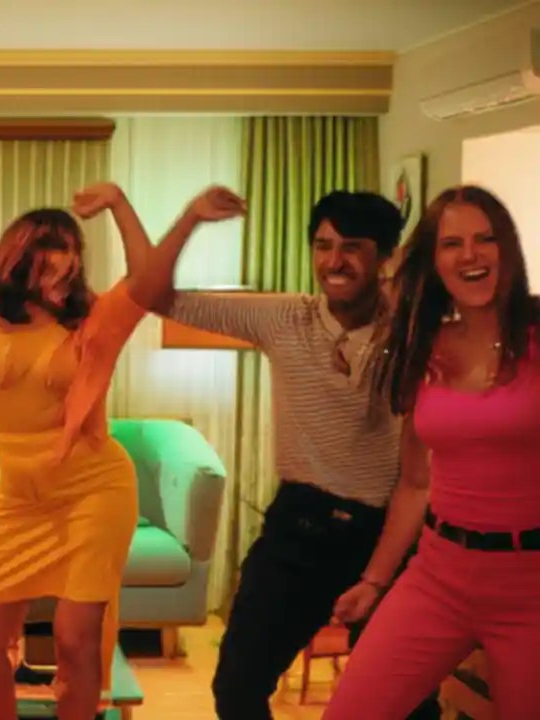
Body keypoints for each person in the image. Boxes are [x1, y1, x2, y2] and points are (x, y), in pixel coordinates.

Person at [0, 120, 245, 720]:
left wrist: (142, 209)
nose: (63, 273)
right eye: (47, 263)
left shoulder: (93, 323)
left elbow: (150, 282)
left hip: (91, 491)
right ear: (17, 263)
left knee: (78, 641)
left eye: (70, 262)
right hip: (18, 501)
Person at [155, 189, 441, 720]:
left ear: (384, 257)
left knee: (409, 702)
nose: (334, 261)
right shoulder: (283, 317)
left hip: (386, 532)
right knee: (236, 689)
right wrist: (191, 216)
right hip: (298, 527)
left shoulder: (411, 331)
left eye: (352, 247)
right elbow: (155, 295)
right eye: (322, 245)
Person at [324, 186, 540, 719]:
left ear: (507, 250)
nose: (471, 255)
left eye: (486, 239)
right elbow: (416, 482)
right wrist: (374, 581)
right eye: (452, 244)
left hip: (531, 589)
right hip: (439, 577)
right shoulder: (425, 351)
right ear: (434, 261)